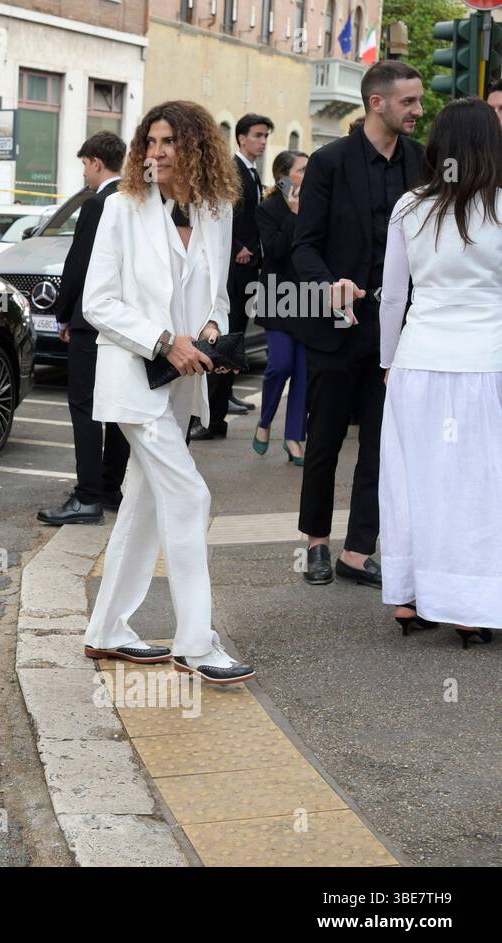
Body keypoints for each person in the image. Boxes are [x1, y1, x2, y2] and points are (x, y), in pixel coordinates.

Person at [80, 100, 256, 685]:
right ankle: (196, 643)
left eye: (167, 142)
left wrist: (209, 328)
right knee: (189, 498)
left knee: (145, 501)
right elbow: (97, 303)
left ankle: (107, 629)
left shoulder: (216, 208)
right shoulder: (120, 208)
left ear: (196, 148)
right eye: (148, 142)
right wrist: (163, 340)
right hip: (135, 376)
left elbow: (220, 297)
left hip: (183, 380)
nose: (154, 153)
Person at [291, 60, 425, 587]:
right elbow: (304, 247)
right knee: (322, 439)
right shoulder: (329, 163)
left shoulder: (422, 163)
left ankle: (357, 550)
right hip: (336, 326)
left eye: (417, 101)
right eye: (409, 102)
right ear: (378, 103)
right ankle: (317, 543)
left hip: (398, 331)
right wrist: (328, 286)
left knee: (380, 443)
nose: (417, 111)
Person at [378, 97, 502, 648]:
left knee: (413, 482)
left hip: (419, 360)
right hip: (486, 363)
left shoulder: (410, 207)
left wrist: (387, 362)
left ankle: (408, 597)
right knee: (477, 487)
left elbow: (393, 298)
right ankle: (471, 607)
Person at [37, 130, 129, 526]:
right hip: (127, 322)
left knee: (86, 408)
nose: (85, 175)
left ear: (95, 162)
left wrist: (63, 313)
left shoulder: (98, 204)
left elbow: (79, 263)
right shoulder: (136, 199)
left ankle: (88, 496)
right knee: (119, 407)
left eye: (85, 166)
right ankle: (110, 486)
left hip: (92, 320)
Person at [193, 112, 272, 440]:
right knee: (222, 339)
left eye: (266, 136)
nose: (263, 141)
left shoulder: (253, 173)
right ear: (240, 138)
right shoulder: (233, 170)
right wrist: (240, 245)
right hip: (233, 269)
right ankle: (210, 417)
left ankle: (219, 410)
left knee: (232, 339)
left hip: (247, 270)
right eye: (257, 135)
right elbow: (228, 218)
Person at [252, 149, 309, 465]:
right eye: (302, 170)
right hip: (278, 296)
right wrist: (293, 214)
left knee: (304, 372)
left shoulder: (317, 203)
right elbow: (273, 251)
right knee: (280, 365)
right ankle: (265, 421)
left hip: (309, 298)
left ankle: (294, 437)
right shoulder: (268, 208)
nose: (308, 175)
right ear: (284, 177)